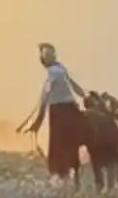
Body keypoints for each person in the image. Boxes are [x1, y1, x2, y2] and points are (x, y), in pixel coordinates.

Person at [25, 43, 86, 185]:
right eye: (45, 55)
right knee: (63, 142)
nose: (47, 58)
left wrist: (38, 121)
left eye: (49, 54)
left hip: (62, 110)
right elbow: (71, 84)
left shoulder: (55, 71)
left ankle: (62, 173)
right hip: (60, 109)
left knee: (59, 143)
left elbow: (46, 96)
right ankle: (66, 173)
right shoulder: (58, 69)